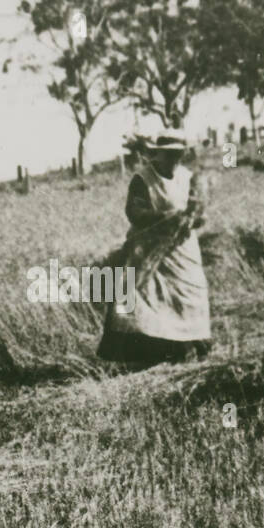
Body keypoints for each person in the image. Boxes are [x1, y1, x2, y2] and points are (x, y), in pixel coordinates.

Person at [97, 133, 212, 368]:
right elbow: (134, 213)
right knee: (139, 296)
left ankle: (188, 345)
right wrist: (165, 218)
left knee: (188, 296)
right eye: (169, 154)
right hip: (147, 248)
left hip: (181, 248)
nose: (174, 159)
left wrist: (194, 218)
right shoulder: (143, 179)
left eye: (178, 154)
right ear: (157, 154)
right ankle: (151, 351)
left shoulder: (188, 178)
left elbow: (198, 212)